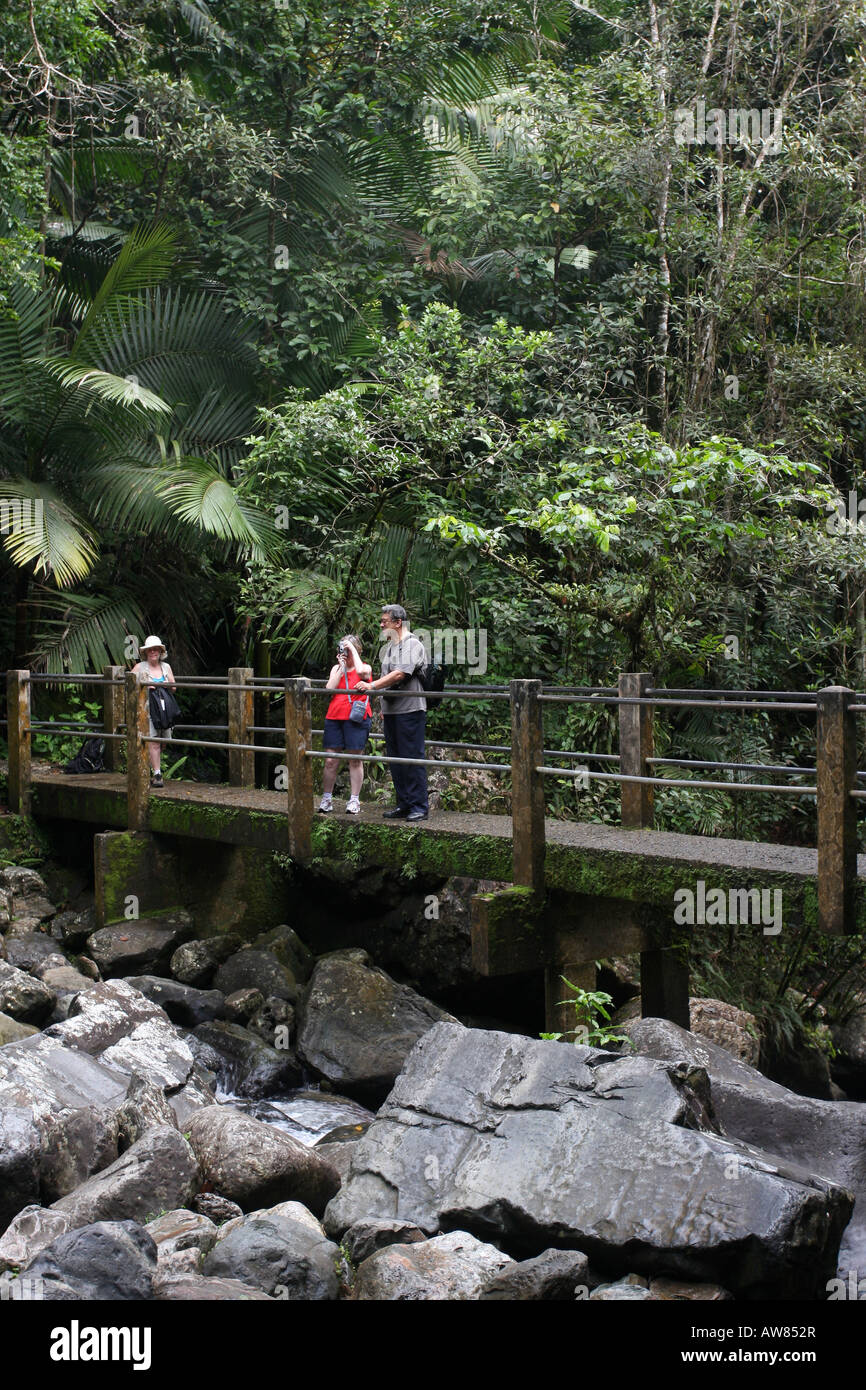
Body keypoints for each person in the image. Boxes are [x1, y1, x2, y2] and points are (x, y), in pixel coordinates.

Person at [355, 604, 428, 821]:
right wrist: (383, 709)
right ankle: (404, 803)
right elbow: (388, 678)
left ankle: (419, 806)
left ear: (398, 622)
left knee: (412, 756)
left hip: (410, 709)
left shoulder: (413, 644)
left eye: (384, 621)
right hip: (392, 710)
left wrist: (372, 686)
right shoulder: (389, 648)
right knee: (395, 758)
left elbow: (399, 675)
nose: (381, 624)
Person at [319, 634, 373, 814]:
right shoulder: (337, 667)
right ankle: (327, 799)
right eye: (343, 649)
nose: (345, 653)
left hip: (356, 718)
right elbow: (330, 688)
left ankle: (355, 800)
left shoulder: (364, 667)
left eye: (348, 650)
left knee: (355, 759)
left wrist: (352, 650)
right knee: (330, 760)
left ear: (357, 650)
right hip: (335, 717)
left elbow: (363, 674)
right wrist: (341, 666)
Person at [131, 636, 176, 789]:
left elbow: (174, 687)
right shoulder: (139, 667)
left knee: (163, 743)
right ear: (146, 652)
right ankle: (157, 774)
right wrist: (144, 687)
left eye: (155, 649)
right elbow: (129, 686)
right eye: (150, 649)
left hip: (165, 710)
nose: (153, 652)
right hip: (149, 710)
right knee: (154, 742)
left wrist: (166, 684)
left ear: (160, 651)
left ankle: (154, 769)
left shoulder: (166, 667)